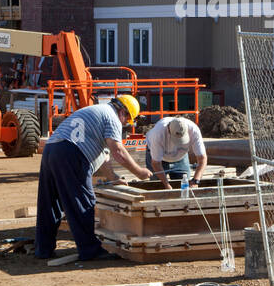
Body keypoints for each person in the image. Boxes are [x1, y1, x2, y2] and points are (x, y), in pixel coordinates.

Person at [35, 94, 151, 261]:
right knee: (83, 202)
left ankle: (43, 249)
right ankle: (90, 250)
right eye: (127, 120)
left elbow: (104, 156)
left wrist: (113, 177)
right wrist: (139, 172)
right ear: (123, 112)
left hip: (52, 150)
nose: (125, 124)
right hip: (71, 154)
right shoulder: (112, 118)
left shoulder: (97, 112)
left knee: (50, 202)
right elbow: (117, 151)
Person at [145, 115, 207, 189]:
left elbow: (202, 158)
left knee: (184, 186)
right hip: (159, 159)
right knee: (157, 187)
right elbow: (156, 163)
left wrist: (196, 181)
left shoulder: (193, 130)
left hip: (181, 157)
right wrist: (166, 184)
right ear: (168, 130)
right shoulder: (158, 134)